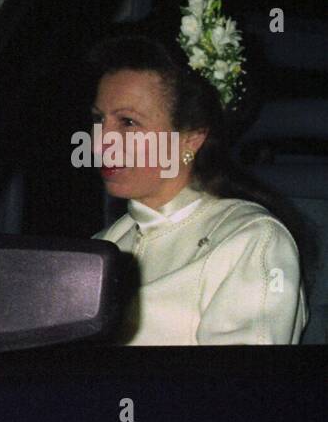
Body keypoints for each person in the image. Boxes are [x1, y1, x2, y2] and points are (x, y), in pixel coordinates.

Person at [87, 35, 309, 344]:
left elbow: (239, 387)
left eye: (128, 123)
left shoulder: (250, 241)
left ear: (191, 138)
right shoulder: (103, 244)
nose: (100, 143)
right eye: (99, 119)